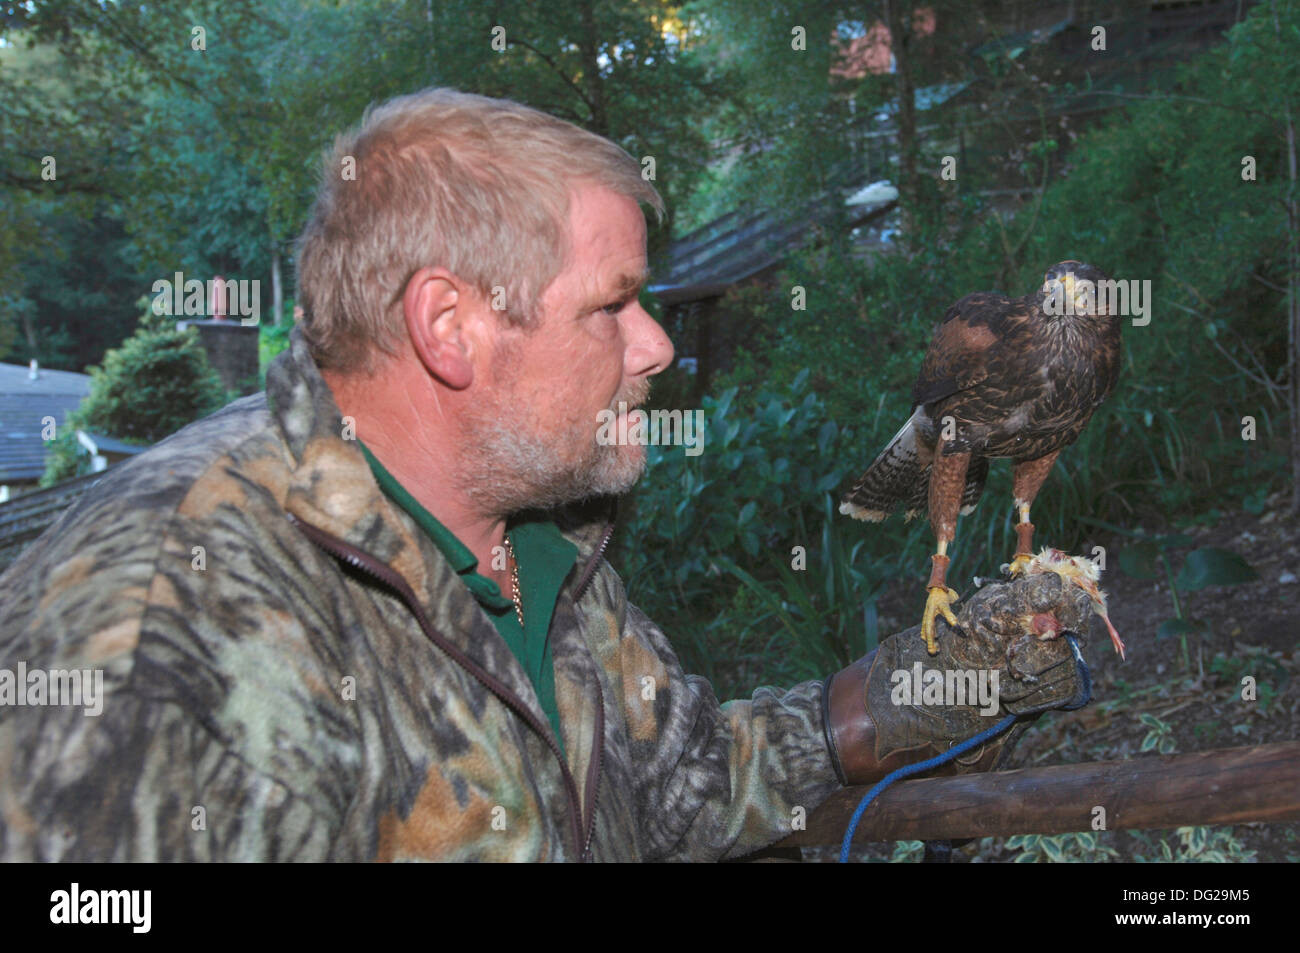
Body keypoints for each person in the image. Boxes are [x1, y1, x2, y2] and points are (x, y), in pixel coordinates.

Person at [0, 88, 1090, 861]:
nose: (657, 343)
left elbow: (683, 783)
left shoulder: (536, 528)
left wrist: (948, 679)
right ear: (450, 326)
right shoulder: (160, 616)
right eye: (611, 304)